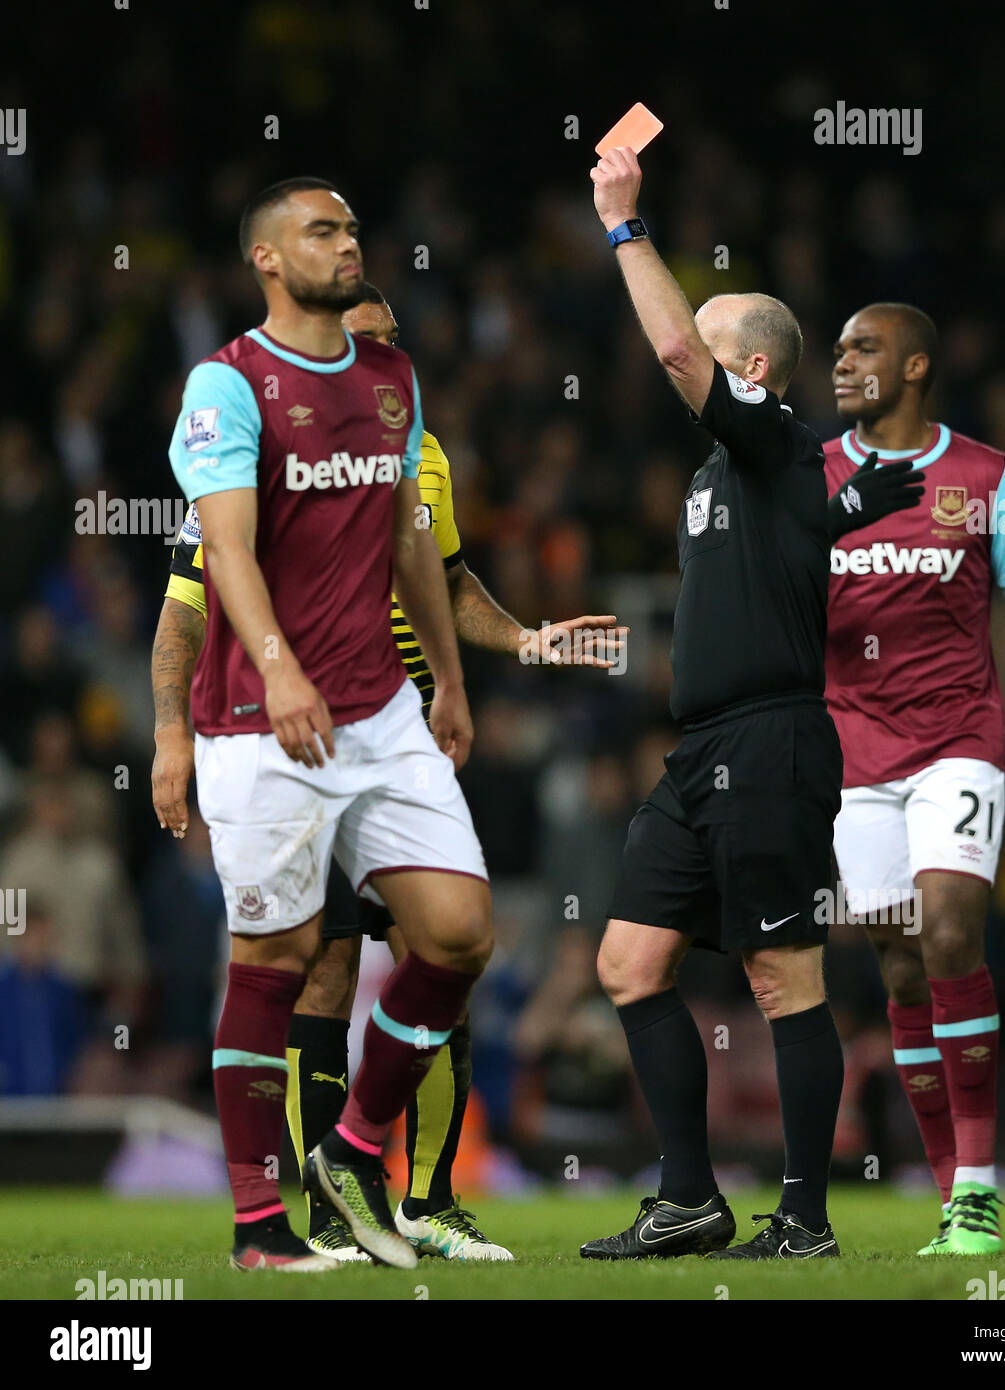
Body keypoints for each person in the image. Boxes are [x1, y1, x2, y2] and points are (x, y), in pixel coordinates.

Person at [156, 270, 625, 1263]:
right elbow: (189, 601)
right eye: (355, 329)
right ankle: (316, 1209)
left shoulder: (420, 448)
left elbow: (444, 580)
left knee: (446, 945)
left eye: (385, 335)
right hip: (283, 731)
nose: (369, 350)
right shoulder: (256, 426)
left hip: (389, 733)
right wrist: (168, 733)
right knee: (316, 971)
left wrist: (524, 645)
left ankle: (425, 1199)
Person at [166, 176, 493, 1271]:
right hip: (261, 720)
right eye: (322, 229)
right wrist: (278, 668)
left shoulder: (393, 376)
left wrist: (447, 678)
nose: (347, 242)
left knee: (457, 935)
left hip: (381, 708)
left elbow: (411, 540)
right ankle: (262, 1228)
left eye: (352, 226)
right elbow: (226, 552)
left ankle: (354, 1150)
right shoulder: (227, 383)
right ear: (266, 257)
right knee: (277, 954)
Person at [579, 147, 845, 1261]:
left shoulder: (781, 447)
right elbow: (688, 346)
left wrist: (625, 227)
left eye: (711, 338)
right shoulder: (711, 476)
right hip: (704, 754)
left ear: (756, 372)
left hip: (776, 739)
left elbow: (677, 342)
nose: (683, 351)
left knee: (782, 977)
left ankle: (806, 1217)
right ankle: (688, 1197)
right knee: (629, 963)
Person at [824, 301, 1005, 1254]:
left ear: (918, 365)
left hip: (956, 743)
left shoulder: (984, 477)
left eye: (864, 348)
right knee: (897, 961)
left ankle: (979, 1186)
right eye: (840, 349)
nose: (844, 362)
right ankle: (946, 1195)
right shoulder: (814, 479)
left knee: (947, 931)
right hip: (853, 754)